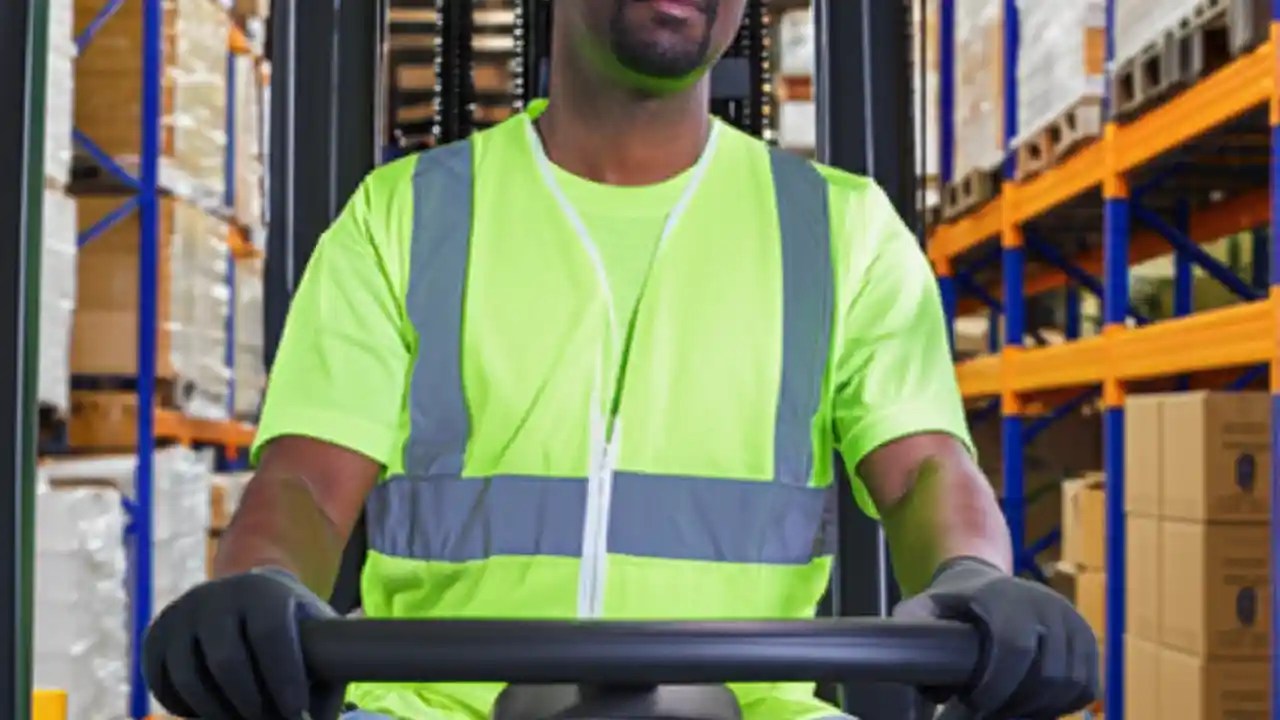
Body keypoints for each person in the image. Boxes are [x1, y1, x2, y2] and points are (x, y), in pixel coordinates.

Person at [142, 1, 1099, 718]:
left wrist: (973, 577)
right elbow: (305, 485)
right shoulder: (404, 217)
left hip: (751, 706)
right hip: (437, 705)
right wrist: (260, 584)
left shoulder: (841, 229)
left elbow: (927, 465)